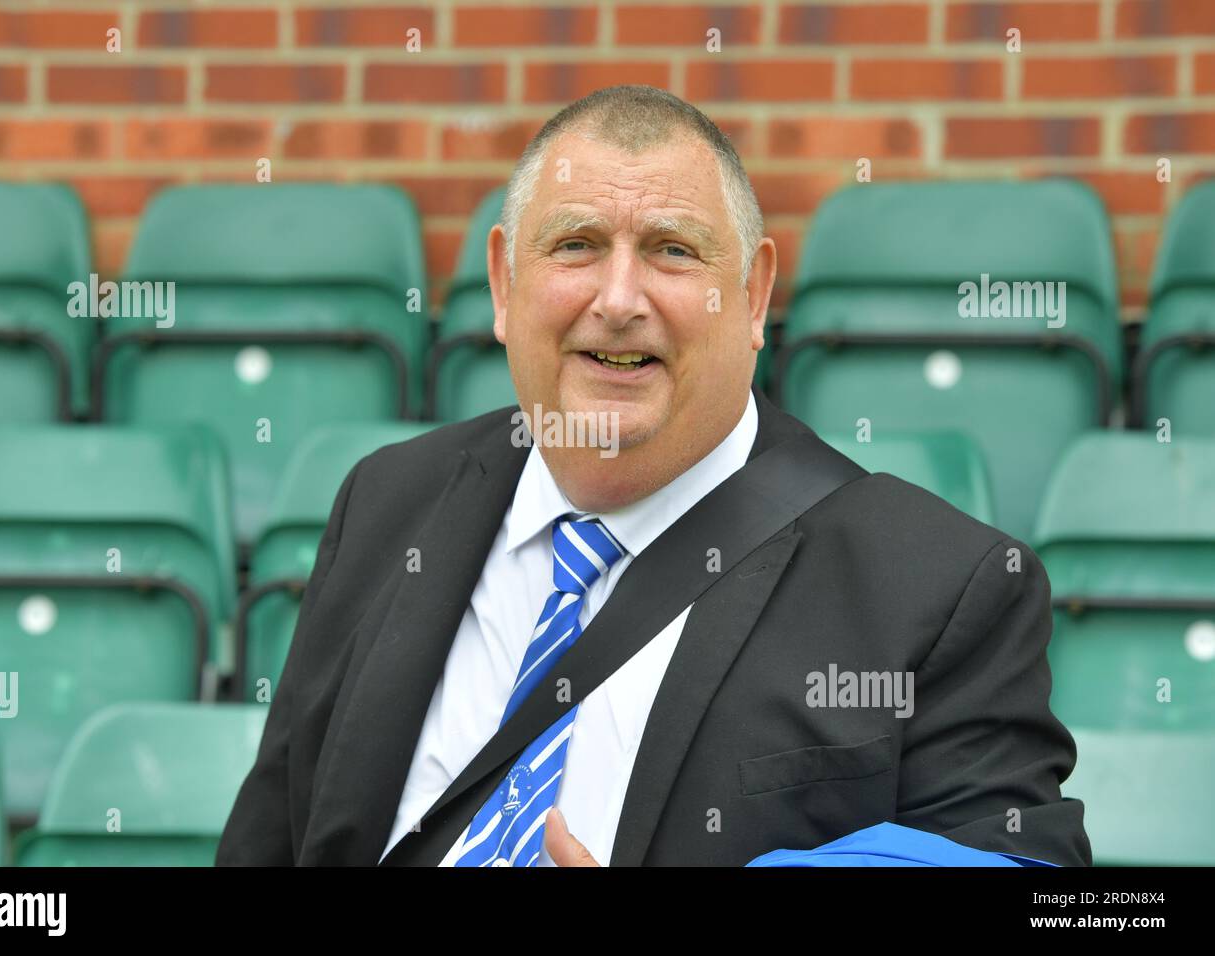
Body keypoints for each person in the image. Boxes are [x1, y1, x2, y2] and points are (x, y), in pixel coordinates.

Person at [217, 85, 1089, 867]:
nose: (620, 298)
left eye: (672, 250)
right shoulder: (386, 503)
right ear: (503, 281)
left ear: (752, 297)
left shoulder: (936, 586)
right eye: (576, 245)